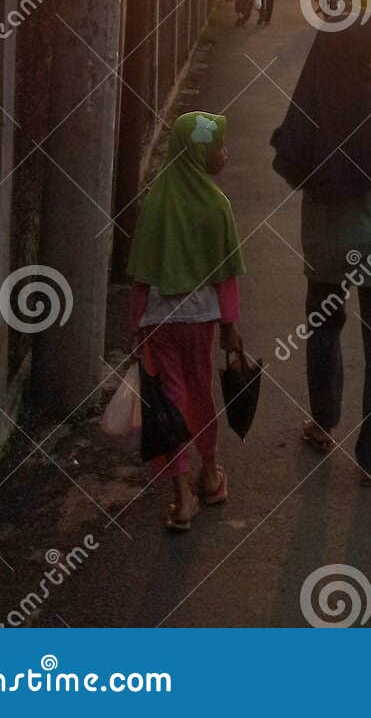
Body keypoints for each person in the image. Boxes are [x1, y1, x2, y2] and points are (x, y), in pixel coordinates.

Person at [270, 13, 371, 486]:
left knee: (322, 331)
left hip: (327, 246)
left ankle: (321, 422)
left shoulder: (311, 101)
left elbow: (291, 164)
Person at [127, 111, 245, 532]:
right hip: (201, 320)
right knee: (200, 393)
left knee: (169, 400)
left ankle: (181, 497)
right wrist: (230, 327)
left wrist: (135, 323)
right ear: (201, 155)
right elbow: (226, 276)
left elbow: (141, 271)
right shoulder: (217, 206)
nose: (225, 153)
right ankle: (210, 474)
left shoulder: (157, 202)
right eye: (218, 147)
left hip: (159, 320)